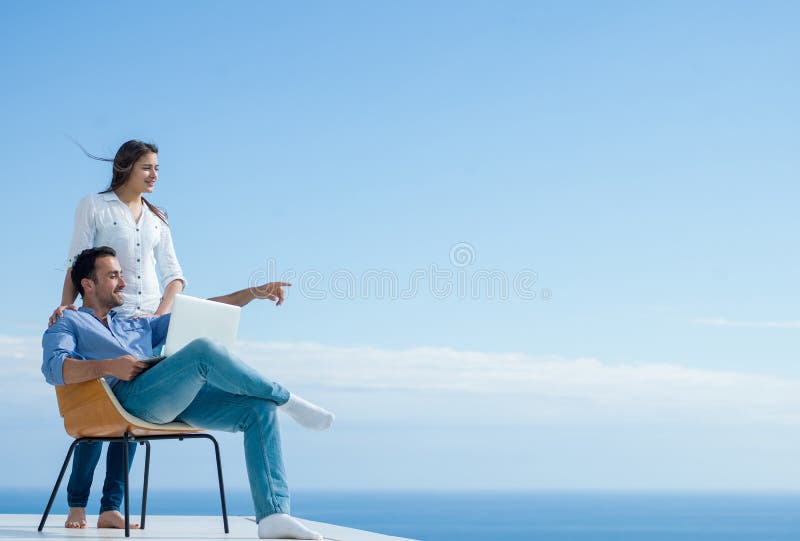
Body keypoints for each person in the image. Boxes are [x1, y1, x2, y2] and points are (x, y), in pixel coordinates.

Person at [43, 247, 334, 540]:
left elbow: (201, 311)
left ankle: (273, 515)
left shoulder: (135, 323)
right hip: (125, 400)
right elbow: (54, 368)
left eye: (121, 275)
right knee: (203, 350)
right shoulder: (69, 322)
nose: (123, 282)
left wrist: (253, 293)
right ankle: (287, 399)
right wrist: (110, 366)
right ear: (88, 285)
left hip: (169, 398)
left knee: (259, 410)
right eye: (113, 276)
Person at [48, 140, 187, 529]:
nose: (155, 174)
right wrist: (68, 308)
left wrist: (161, 312)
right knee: (97, 411)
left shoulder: (159, 218)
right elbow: (78, 264)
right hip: (105, 318)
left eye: (157, 167)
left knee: (131, 417)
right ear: (126, 167)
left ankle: (111, 507)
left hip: (146, 325)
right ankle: (77, 505)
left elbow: (175, 275)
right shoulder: (94, 206)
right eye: (147, 167)